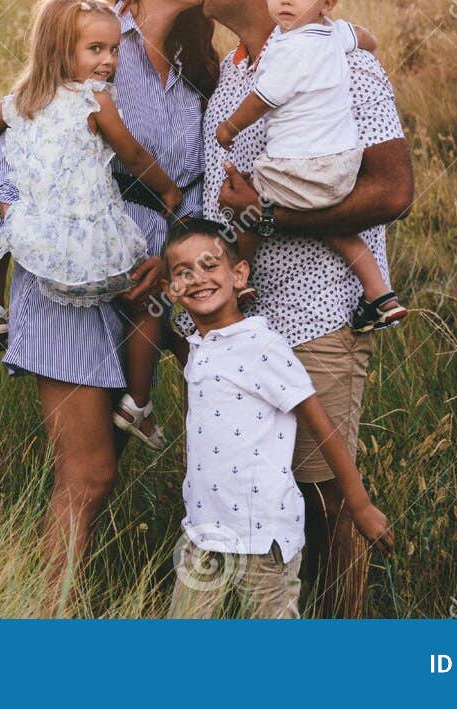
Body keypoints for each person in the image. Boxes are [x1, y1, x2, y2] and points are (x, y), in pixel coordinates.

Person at [0, 0, 216, 592]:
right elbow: (15, 150)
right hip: (73, 274)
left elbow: (194, 181)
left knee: (232, 422)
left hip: (160, 270)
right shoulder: (91, 40)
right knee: (89, 472)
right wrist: (2, 250)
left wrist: (176, 256)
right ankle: (52, 618)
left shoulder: (201, 65)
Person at [198, 0, 414, 618]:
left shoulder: (344, 65)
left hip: (319, 313)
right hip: (241, 324)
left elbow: (393, 187)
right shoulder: (233, 74)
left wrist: (270, 216)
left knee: (327, 494)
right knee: (261, 494)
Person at [161, 217, 393, 618]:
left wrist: (360, 506)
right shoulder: (198, 348)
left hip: (262, 538)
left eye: (210, 265)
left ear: (239, 274)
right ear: (172, 290)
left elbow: (320, 424)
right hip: (203, 533)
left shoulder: (263, 346)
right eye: (184, 272)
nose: (197, 278)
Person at [213, 0, 407, 332]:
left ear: (327, 2)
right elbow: (365, 37)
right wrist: (365, 49)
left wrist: (230, 127)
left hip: (299, 169)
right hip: (339, 168)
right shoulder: (333, 36)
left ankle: (242, 279)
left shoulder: (287, 49)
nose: (286, 0)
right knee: (334, 225)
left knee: (247, 202)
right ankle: (379, 293)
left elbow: (265, 97)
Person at [0, 0, 181, 311]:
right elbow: (132, 154)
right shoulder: (95, 99)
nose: (109, 60)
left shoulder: (32, 99)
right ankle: (114, 296)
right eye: (95, 49)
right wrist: (168, 189)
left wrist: (17, 116)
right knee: (118, 271)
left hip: (36, 218)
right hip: (78, 215)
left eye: (114, 49)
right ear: (59, 51)